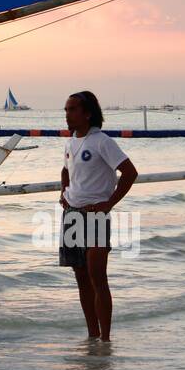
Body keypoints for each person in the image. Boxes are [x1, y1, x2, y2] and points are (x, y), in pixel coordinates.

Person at [59, 90, 138, 344]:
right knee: (81, 278)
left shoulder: (102, 141)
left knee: (97, 276)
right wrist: (64, 193)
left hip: (95, 214)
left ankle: (106, 339)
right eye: (66, 110)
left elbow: (129, 172)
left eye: (72, 110)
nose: (68, 115)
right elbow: (65, 169)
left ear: (88, 113)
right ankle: (92, 336)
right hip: (72, 214)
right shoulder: (70, 141)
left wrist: (110, 203)